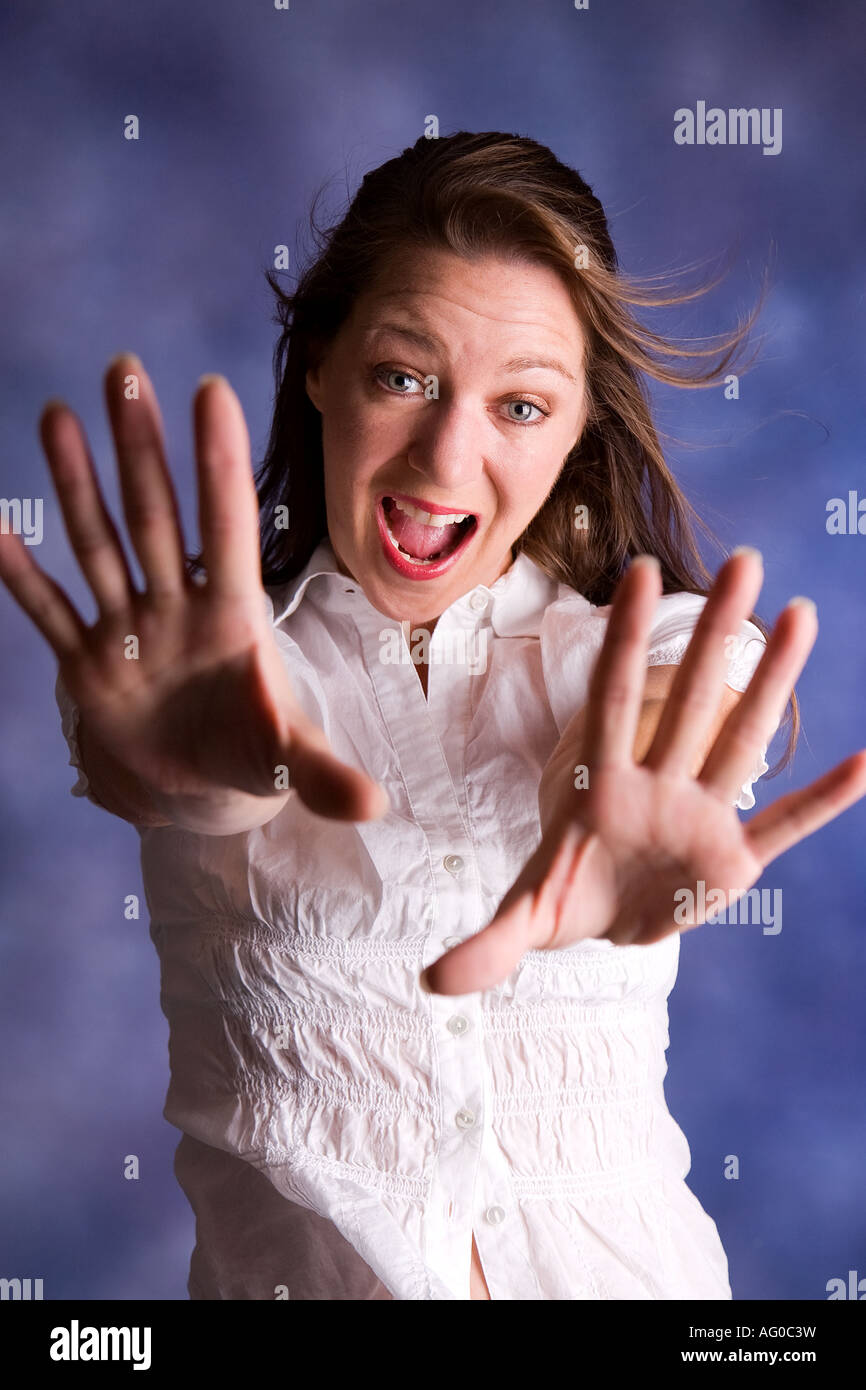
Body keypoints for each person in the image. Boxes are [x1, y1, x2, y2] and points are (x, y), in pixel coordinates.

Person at [2, 131, 864, 1301]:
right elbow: (195, 770)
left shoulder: (653, 641)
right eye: (402, 376)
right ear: (318, 364)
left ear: (576, 433)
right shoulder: (194, 666)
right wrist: (215, 761)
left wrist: (592, 804)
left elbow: (670, 714)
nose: (448, 451)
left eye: (520, 404)